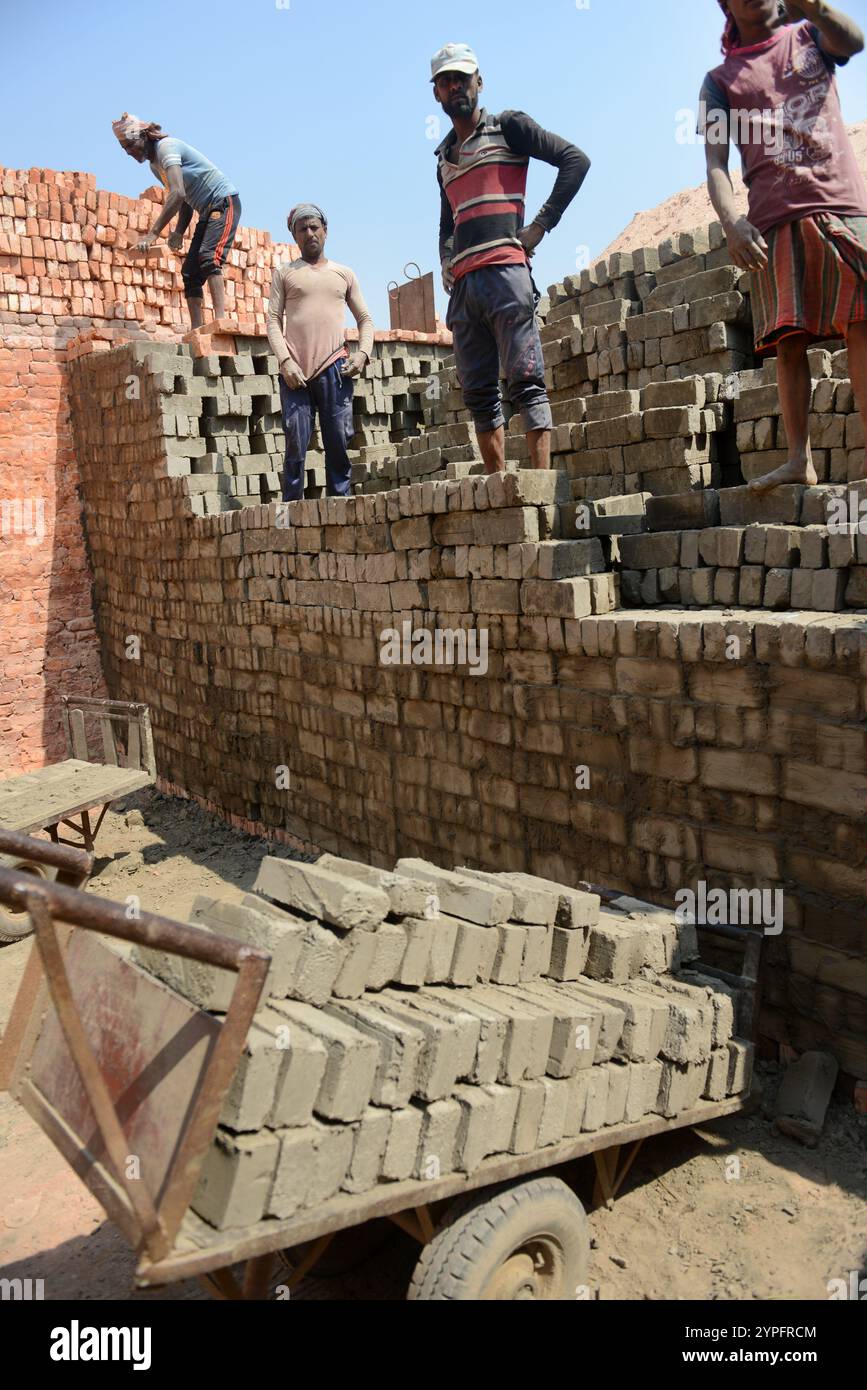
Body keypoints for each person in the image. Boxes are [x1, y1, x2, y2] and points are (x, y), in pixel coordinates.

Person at [700, 2, 867, 491]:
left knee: (861, 324)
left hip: (840, 203)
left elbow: (855, 41)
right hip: (773, 218)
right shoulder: (718, 81)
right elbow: (714, 162)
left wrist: (813, 4)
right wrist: (732, 221)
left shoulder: (812, 35)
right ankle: (800, 459)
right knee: (788, 343)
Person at [431, 42, 590, 474]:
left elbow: (575, 160)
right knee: (479, 393)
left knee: (526, 380)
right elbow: (447, 221)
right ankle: (501, 489)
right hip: (465, 289)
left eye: (462, 79)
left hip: (506, 274)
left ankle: (539, 491)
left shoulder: (510, 127)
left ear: (479, 83)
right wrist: (446, 258)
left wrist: (540, 226)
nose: (454, 87)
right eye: (445, 82)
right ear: (436, 95)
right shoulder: (442, 157)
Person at [267, 205, 374, 502]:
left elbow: (365, 319)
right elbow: (273, 321)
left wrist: (363, 354)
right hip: (295, 371)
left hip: (334, 368)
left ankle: (340, 511)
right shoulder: (285, 273)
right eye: (302, 229)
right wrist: (285, 362)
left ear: (325, 231)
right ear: (294, 236)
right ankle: (288, 517)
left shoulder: (344, 273)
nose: (310, 233)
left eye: (314, 227)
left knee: (339, 443)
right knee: (295, 443)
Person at [112, 113, 242, 330]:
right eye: (125, 149)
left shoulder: (166, 148)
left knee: (209, 257)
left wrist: (154, 233)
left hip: (224, 202)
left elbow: (178, 193)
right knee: (190, 272)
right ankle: (197, 331)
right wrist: (179, 232)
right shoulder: (155, 166)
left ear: (143, 137)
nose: (129, 152)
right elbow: (183, 200)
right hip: (206, 210)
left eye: (130, 145)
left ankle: (221, 322)